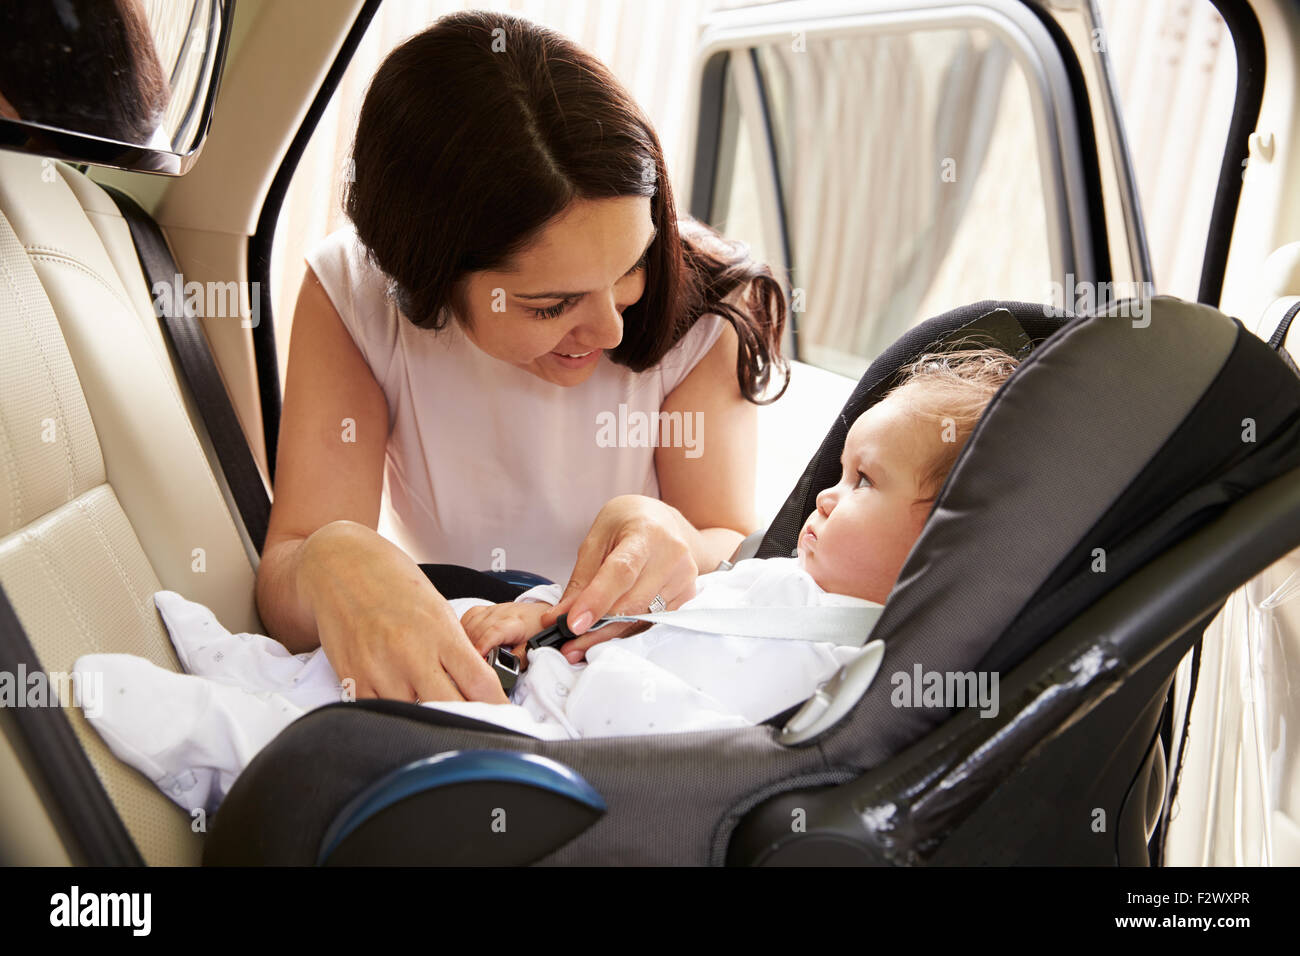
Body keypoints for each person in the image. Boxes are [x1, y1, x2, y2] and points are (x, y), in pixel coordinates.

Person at [74, 347, 1018, 812]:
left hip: (568, 747)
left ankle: (217, 743)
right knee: (428, 628)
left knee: (388, 728)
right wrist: (550, 619)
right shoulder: (795, 592)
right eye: (837, 469)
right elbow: (685, 610)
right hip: (556, 677)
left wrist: (591, 667)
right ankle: (245, 669)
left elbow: (713, 751)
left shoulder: (840, 657)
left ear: (944, 540)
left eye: (861, 485)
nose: (819, 498)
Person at [260, 10, 790, 708]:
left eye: (629, 266)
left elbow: (725, 539)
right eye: (551, 305)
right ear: (429, 278)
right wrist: (334, 560)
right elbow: (289, 565)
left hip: (628, 662)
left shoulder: (707, 305)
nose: (606, 328)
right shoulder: (354, 295)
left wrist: (676, 542)